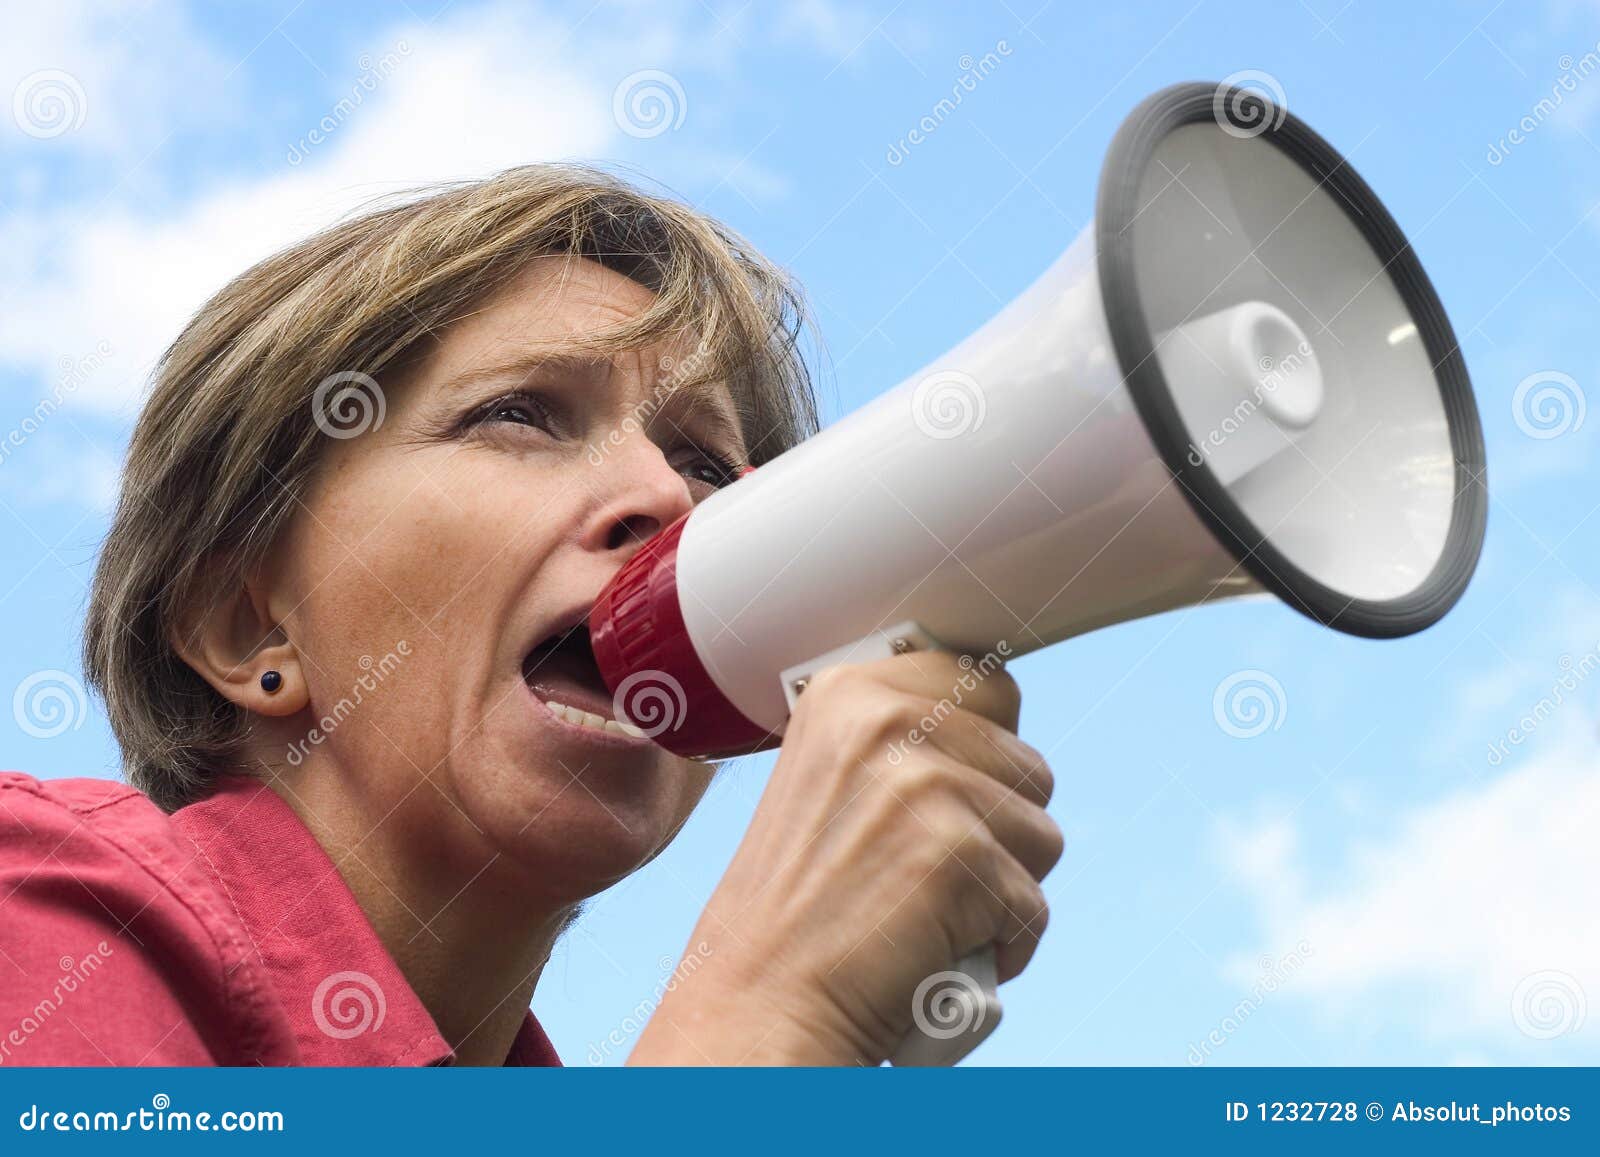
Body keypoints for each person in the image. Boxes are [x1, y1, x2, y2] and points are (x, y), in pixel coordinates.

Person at [0, 166, 1061, 1066]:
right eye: (521, 414)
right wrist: (769, 1012)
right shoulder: (41, 900)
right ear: (249, 629)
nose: (671, 500)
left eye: (705, 463)